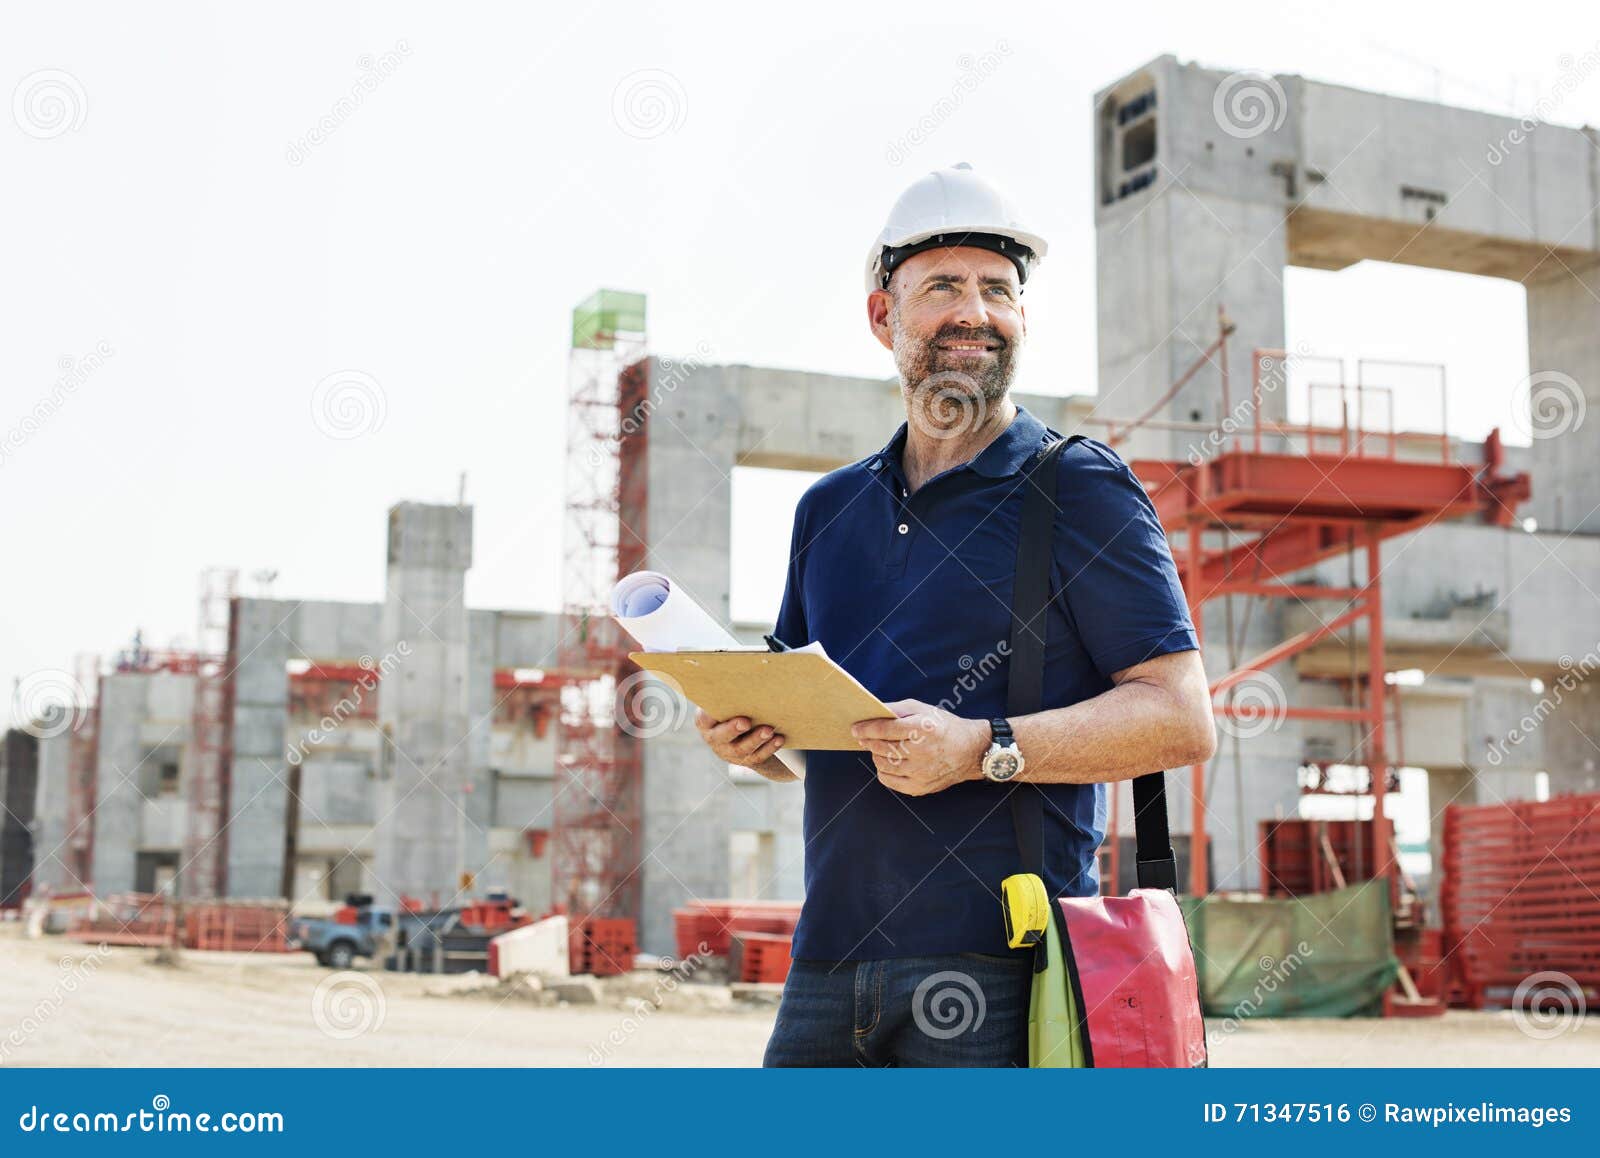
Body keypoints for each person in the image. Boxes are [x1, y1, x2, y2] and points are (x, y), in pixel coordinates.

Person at [693, 163, 1216, 1067]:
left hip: (1000, 968)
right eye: (942, 286)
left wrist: (981, 748)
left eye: (998, 290)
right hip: (827, 964)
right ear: (880, 316)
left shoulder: (1078, 487)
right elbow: (799, 731)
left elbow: (1180, 718)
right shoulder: (829, 510)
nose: (974, 312)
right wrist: (750, 739)